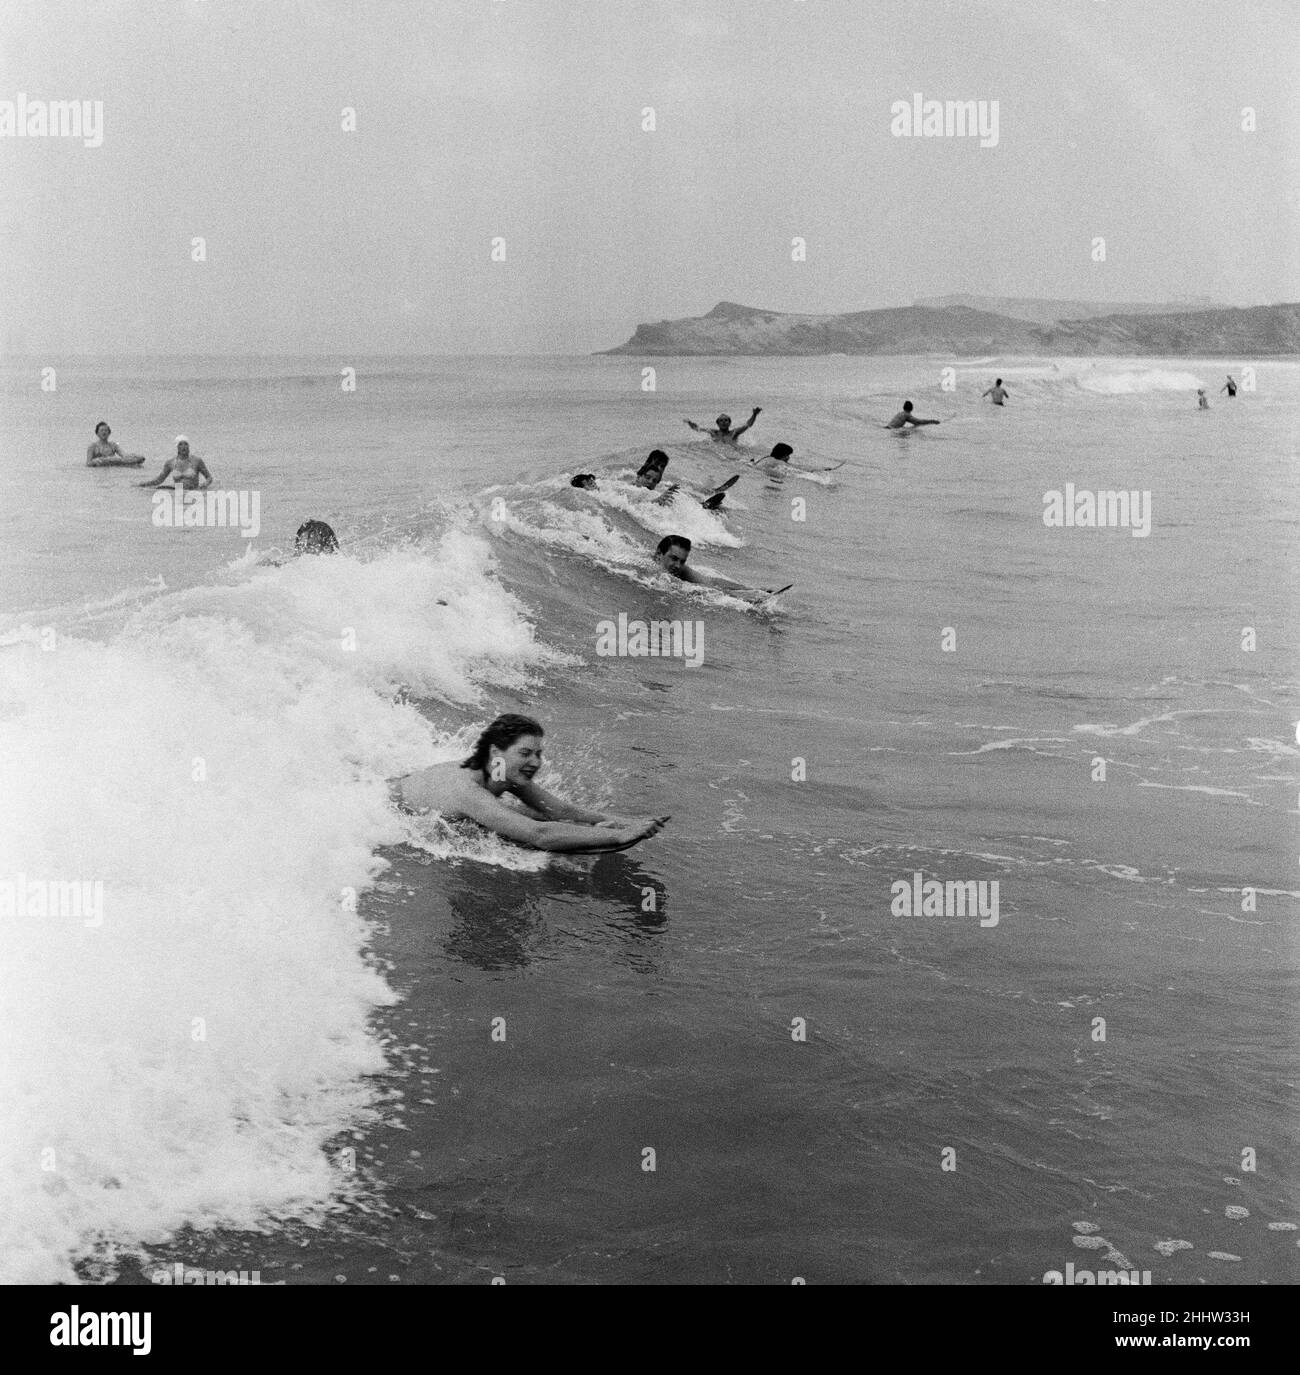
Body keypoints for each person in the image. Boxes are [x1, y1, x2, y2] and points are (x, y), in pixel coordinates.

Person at [391, 714, 669, 853]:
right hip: (387, 807)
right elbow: (540, 835)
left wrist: (627, 822)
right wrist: (618, 837)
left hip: (413, 789)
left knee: (530, 814)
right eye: (525, 753)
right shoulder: (467, 791)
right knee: (519, 825)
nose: (535, 762)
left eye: (538, 754)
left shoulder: (502, 773)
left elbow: (559, 811)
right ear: (496, 753)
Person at [653, 534, 780, 600]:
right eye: (674, 558)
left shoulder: (679, 569)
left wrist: (751, 590)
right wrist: (742, 598)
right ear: (659, 554)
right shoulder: (649, 570)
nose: (678, 565)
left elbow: (711, 582)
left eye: (682, 561)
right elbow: (699, 590)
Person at [138, 436, 212, 489]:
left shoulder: (197, 461)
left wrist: (205, 485)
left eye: (186, 444)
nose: (184, 446)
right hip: (176, 492)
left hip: (192, 491)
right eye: (180, 444)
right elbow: (159, 480)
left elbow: (209, 477)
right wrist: (144, 484)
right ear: (177, 447)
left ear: (189, 446)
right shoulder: (170, 463)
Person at [683, 407, 761, 444]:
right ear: (718, 423)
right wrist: (689, 422)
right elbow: (697, 428)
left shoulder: (734, 433)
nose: (723, 422)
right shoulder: (713, 433)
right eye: (721, 420)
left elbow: (747, 425)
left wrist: (754, 415)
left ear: (730, 423)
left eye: (726, 420)